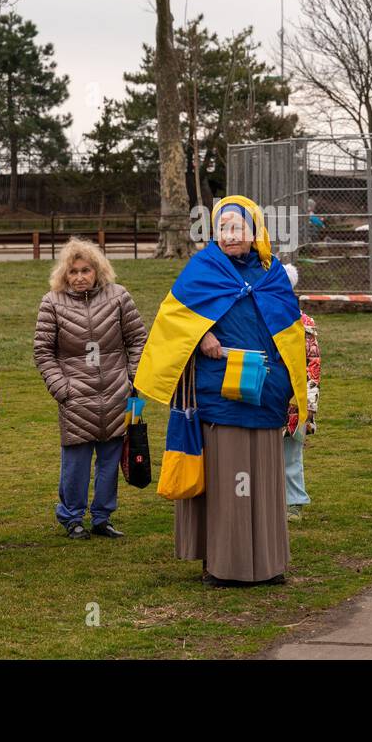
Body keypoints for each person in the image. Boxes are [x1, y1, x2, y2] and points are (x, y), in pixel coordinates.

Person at [135, 196, 309, 586]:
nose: (232, 235)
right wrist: (202, 337)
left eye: (240, 226)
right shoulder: (203, 269)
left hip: (265, 391)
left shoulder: (273, 273)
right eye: (224, 227)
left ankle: (267, 562)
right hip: (218, 393)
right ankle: (223, 564)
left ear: (256, 231)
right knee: (227, 476)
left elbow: (290, 325)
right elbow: (174, 320)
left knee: (263, 478)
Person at [34, 238, 147, 539]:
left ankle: (102, 516)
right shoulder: (52, 303)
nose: (80, 277)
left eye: (86, 270)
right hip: (76, 397)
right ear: (64, 274)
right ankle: (71, 517)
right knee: (76, 463)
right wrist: (62, 388)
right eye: (74, 272)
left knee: (110, 460)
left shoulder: (119, 297)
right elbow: (43, 351)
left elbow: (137, 340)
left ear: (97, 271)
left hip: (115, 392)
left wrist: (131, 378)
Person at [281, 264, 321, 522]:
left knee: (291, 453)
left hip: (294, 398)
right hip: (262, 394)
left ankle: (293, 502)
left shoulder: (303, 324)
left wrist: (307, 401)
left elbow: (312, 362)